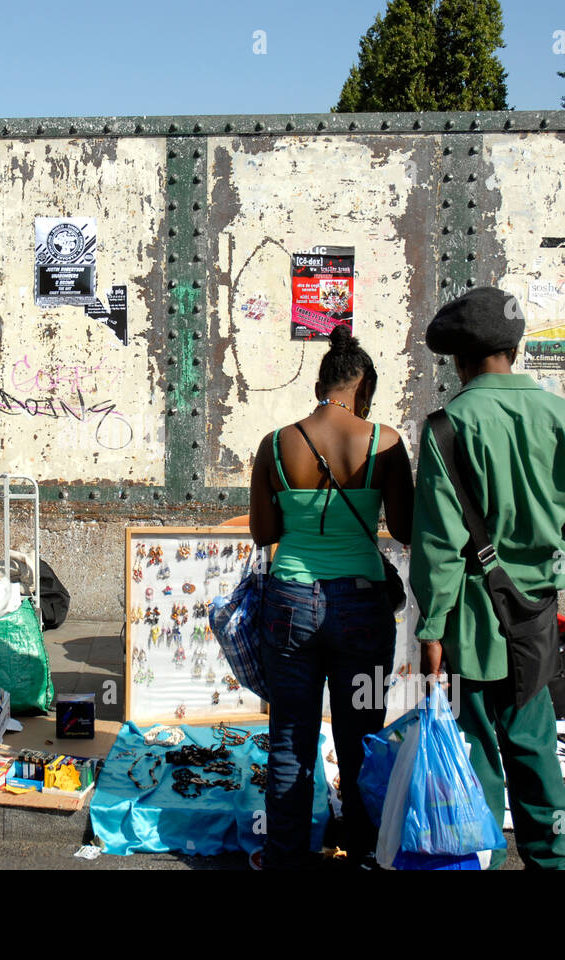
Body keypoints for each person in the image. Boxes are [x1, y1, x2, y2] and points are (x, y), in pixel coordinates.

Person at [411, 287, 565, 870]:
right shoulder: (562, 415)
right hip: (535, 615)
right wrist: (546, 574)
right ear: (514, 350)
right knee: (534, 743)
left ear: (459, 361)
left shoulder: (447, 427)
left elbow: (439, 545)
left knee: (471, 755)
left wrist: (432, 628)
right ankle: (552, 859)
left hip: (469, 619)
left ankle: (481, 859)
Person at [248, 325, 414, 869]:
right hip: (363, 607)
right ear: (362, 385)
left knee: (290, 737)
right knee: (361, 733)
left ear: (321, 383)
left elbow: (264, 532)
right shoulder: (385, 443)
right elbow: (408, 528)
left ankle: (284, 857)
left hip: (290, 600)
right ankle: (368, 853)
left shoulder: (275, 444)